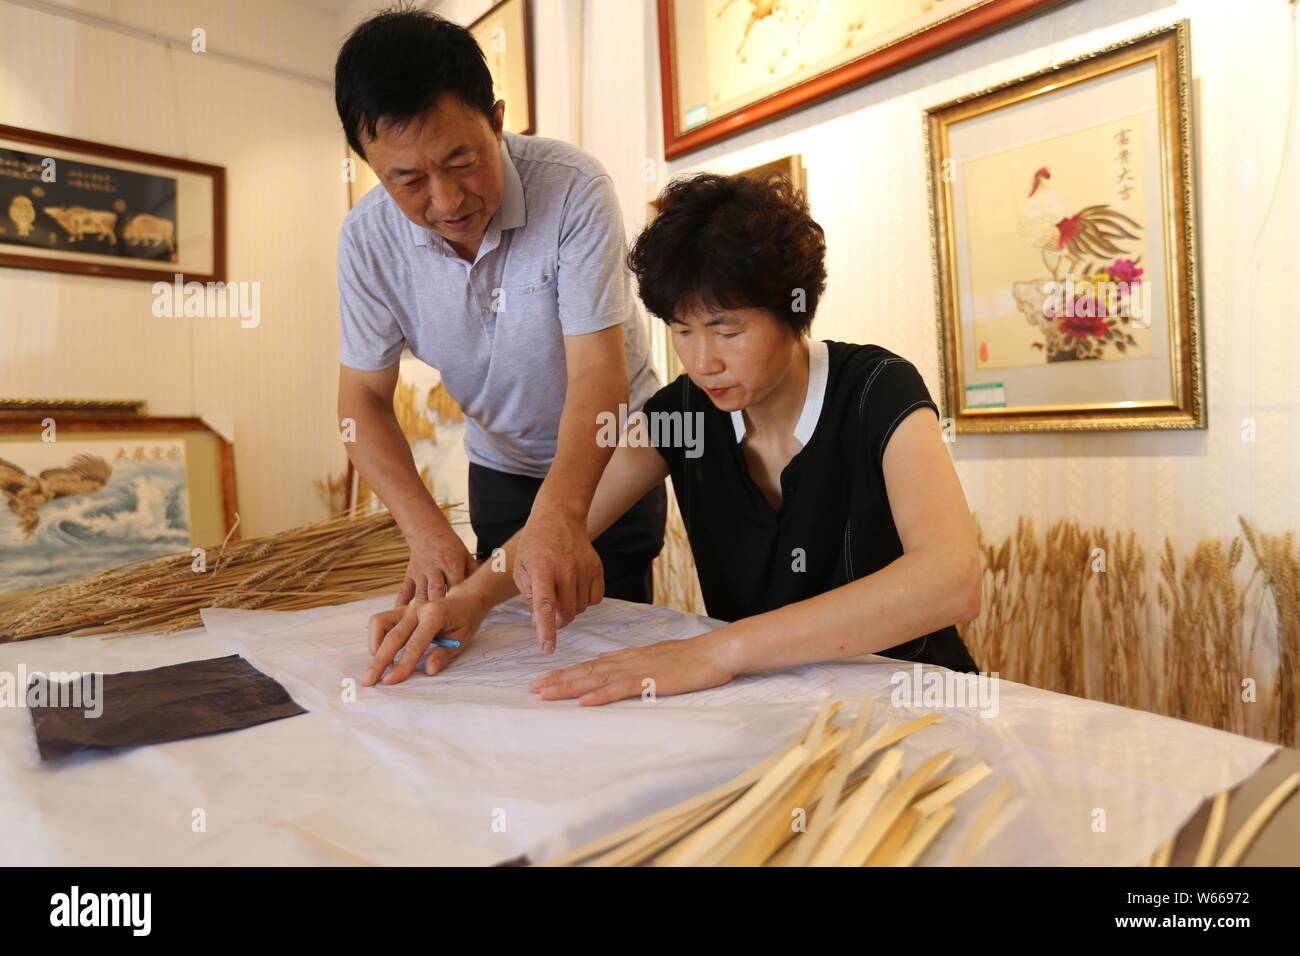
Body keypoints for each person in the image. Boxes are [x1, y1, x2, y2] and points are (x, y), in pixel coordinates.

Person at [361, 172, 982, 703]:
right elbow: (562, 523)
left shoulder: (876, 390)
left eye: (726, 330)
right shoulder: (684, 415)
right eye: (682, 332)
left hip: (913, 694)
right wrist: (469, 601)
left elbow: (953, 579)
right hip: (776, 704)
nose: (702, 360)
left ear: (795, 311)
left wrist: (721, 650)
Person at [334, 7, 665, 655]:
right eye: (408, 180)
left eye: (462, 161)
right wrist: (425, 531)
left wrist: (564, 514)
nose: (448, 201)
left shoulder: (572, 190)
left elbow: (598, 372)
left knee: (610, 653)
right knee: (505, 659)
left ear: (497, 121)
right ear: (373, 169)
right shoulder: (366, 241)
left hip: (611, 466)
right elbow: (361, 402)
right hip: (501, 468)